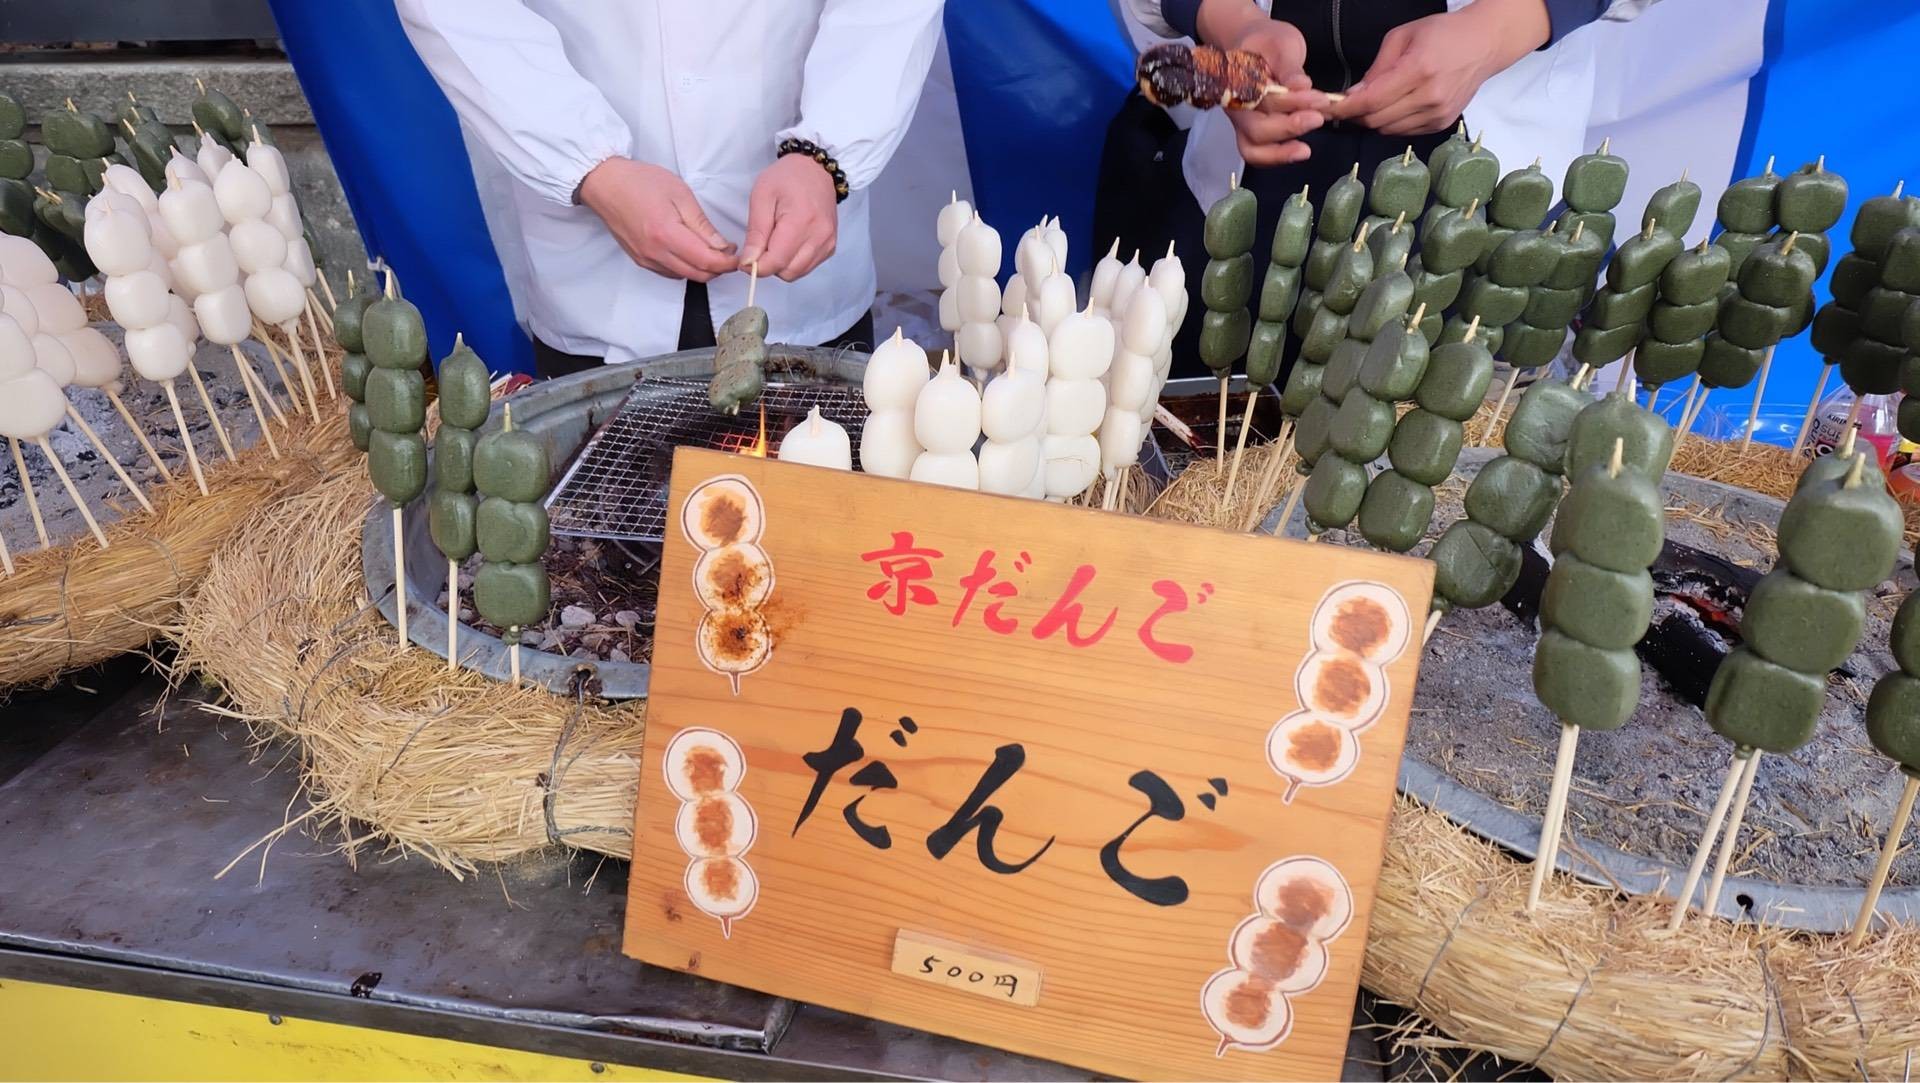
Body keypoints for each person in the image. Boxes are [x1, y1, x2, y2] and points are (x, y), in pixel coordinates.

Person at [1104, 0, 1658, 378]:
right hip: (1241, 181)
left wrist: (1499, 28)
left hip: (1494, 197)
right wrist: (1230, 25)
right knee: (1216, 432)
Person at [396, 1, 945, 379]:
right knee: (598, 512)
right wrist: (589, 166)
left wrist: (827, 154)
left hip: (802, 262)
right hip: (597, 271)